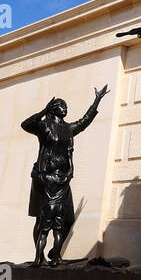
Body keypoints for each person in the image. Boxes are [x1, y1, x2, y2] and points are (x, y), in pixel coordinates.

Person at [21, 87, 108, 266]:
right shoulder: (44, 125)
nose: (65, 106)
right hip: (44, 178)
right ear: (53, 108)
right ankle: (40, 256)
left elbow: (84, 122)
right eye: (61, 104)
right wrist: (43, 111)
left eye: (65, 105)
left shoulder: (68, 128)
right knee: (41, 218)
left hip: (63, 180)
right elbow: (26, 125)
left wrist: (97, 101)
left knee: (68, 219)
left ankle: (56, 253)